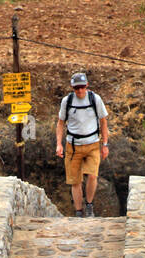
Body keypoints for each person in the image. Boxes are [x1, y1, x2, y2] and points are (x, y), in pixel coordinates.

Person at [56, 72, 109, 217]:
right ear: (72, 88)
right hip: (73, 146)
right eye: (76, 88)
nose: (80, 90)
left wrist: (105, 144)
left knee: (92, 175)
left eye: (82, 87)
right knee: (75, 181)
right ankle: (79, 211)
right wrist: (58, 144)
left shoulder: (95, 99)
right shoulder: (67, 101)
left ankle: (89, 205)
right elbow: (60, 123)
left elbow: (103, 122)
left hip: (92, 144)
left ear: (87, 85)